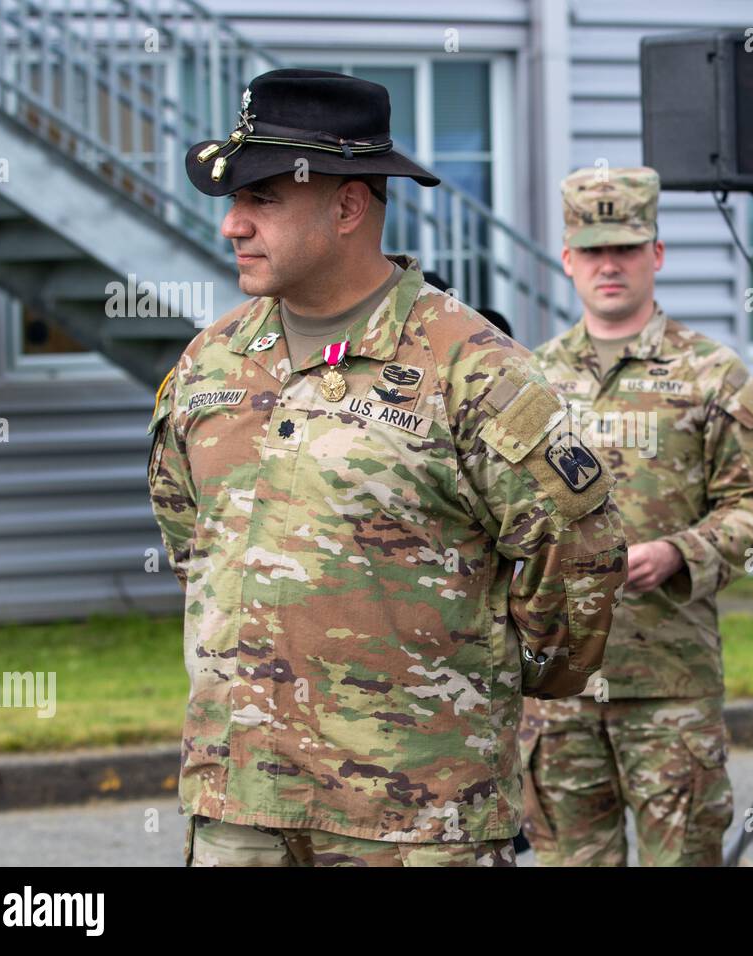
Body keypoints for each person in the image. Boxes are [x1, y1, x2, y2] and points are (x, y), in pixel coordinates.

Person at [148, 68, 626, 867]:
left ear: (346, 206)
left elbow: (578, 560)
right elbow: (191, 543)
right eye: (233, 200)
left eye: (262, 198)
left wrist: (496, 687)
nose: (233, 224)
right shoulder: (211, 362)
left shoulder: (471, 368)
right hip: (237, 805)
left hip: (415, 817)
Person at [518, 166, 753, 866]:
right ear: (568, 258)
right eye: (594, 250)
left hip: (668, 684)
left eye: (627, 249)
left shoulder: (715, 377)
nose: (611, 265)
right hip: (557, 686)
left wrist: (678, 554)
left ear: (656, 255)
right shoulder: (526, 381)